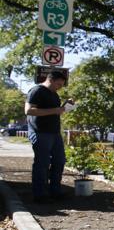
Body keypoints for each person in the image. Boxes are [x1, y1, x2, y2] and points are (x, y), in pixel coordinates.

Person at [24, 69, 73, 203]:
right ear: (50, 80)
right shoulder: (37, 91)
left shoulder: (55, 95)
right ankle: (39, 195)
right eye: (58, 84)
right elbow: (29, 110)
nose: (60, 87)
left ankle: (55, 191)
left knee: (60, 161)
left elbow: (55, 112)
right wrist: (55, 110)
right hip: (40, 132)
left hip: (55, 133)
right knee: (42, 163)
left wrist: (65, 107)